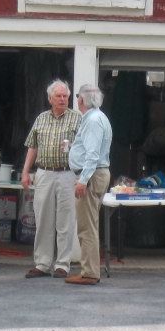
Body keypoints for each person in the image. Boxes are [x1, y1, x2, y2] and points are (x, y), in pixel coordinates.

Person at [20, 80, 81, 279]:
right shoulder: (41, 118)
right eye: (59, 96)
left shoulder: (76, 119)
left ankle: (62, 264)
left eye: (66, 96)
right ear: (50, 99)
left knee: (65, 220)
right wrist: (25, 171)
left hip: (67, 173)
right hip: (44, 173)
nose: (63, 99)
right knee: (43, 218)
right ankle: (43, 263)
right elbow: (32, 146)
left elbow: (84, 148)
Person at [65, 83, 113, 286]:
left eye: (77, 96)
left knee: (87, 227)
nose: (76, 100)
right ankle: (90, 270)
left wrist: (82, 181)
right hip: (97, 175)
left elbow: (92, 155)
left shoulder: (92, 120)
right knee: (90, 224)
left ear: (82, 99)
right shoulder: (98, 118)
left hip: (92, 176)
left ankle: (90, 272)